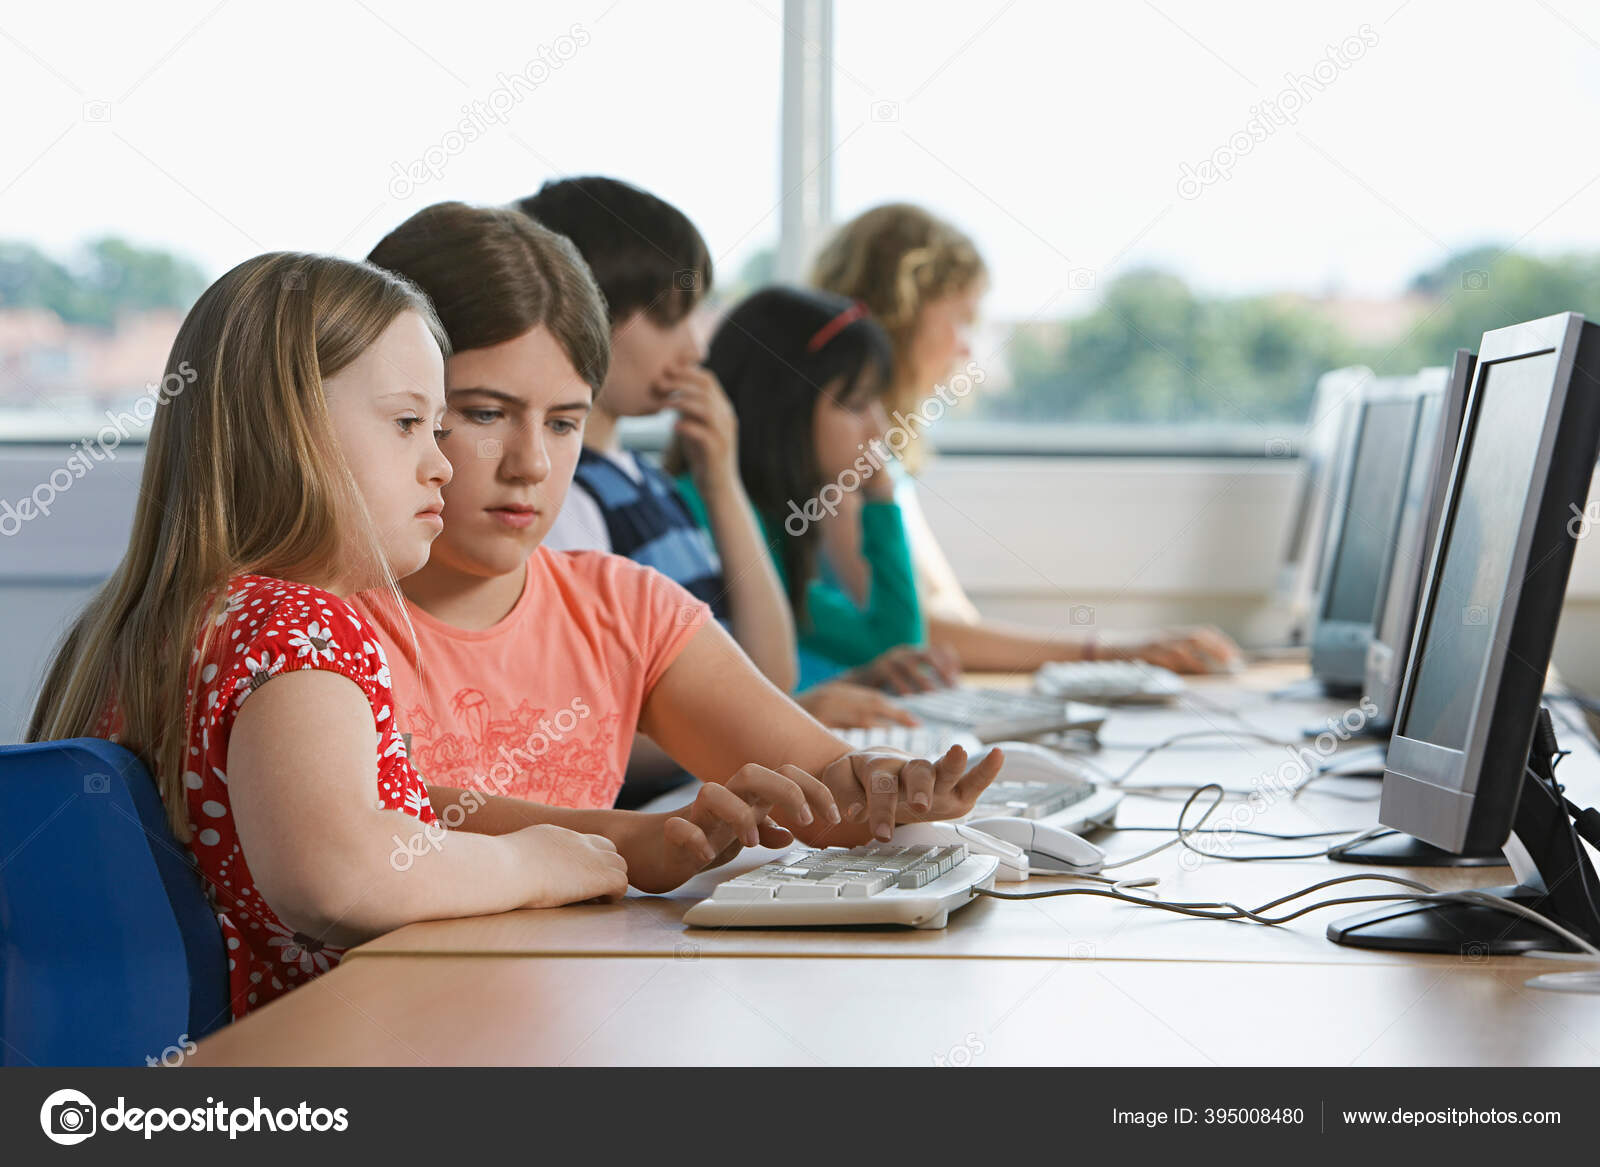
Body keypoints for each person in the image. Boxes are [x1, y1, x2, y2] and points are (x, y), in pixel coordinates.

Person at [26, 253, 638, 1017]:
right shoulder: (302, 630)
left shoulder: (126, 629)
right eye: (409, 423)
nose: (442, 464)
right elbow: (339, 877)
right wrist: (530, 861)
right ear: (289, 431)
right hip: (300, 1071)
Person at [355, 201, 1002, 847]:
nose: (532, 464)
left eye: (563, 422)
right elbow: (377, 817)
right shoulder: (310, 618)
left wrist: (883, 784)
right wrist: (630, 839)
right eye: (487, 414)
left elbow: (822, 777)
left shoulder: (627, 608)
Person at [811, 203, 1242, 674]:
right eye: (960, 319)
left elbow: (947, 613)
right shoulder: (838, 463)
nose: (965, 348)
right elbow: (915, 633)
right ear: (903, 317)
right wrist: (1109, 654)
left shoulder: (885, 458)